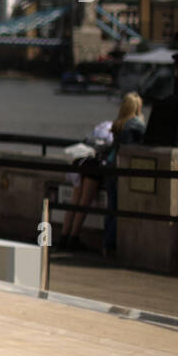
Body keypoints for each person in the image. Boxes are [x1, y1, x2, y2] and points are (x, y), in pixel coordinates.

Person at [59, 91, 143, 251]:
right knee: (85, 203)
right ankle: (74, 237)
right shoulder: (132, 126)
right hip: (97, 166)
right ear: (137, 108)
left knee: (75, 202)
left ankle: (64, 237)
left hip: (83, 161)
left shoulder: (111, 124)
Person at [104, 91, 145, 254]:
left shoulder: (118, 123)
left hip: (110, 164)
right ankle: (113, 245)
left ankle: (106, 245)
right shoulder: (136, 124)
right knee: (120, 208)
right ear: (137, 107)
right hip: (122, 168)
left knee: (111, 207)